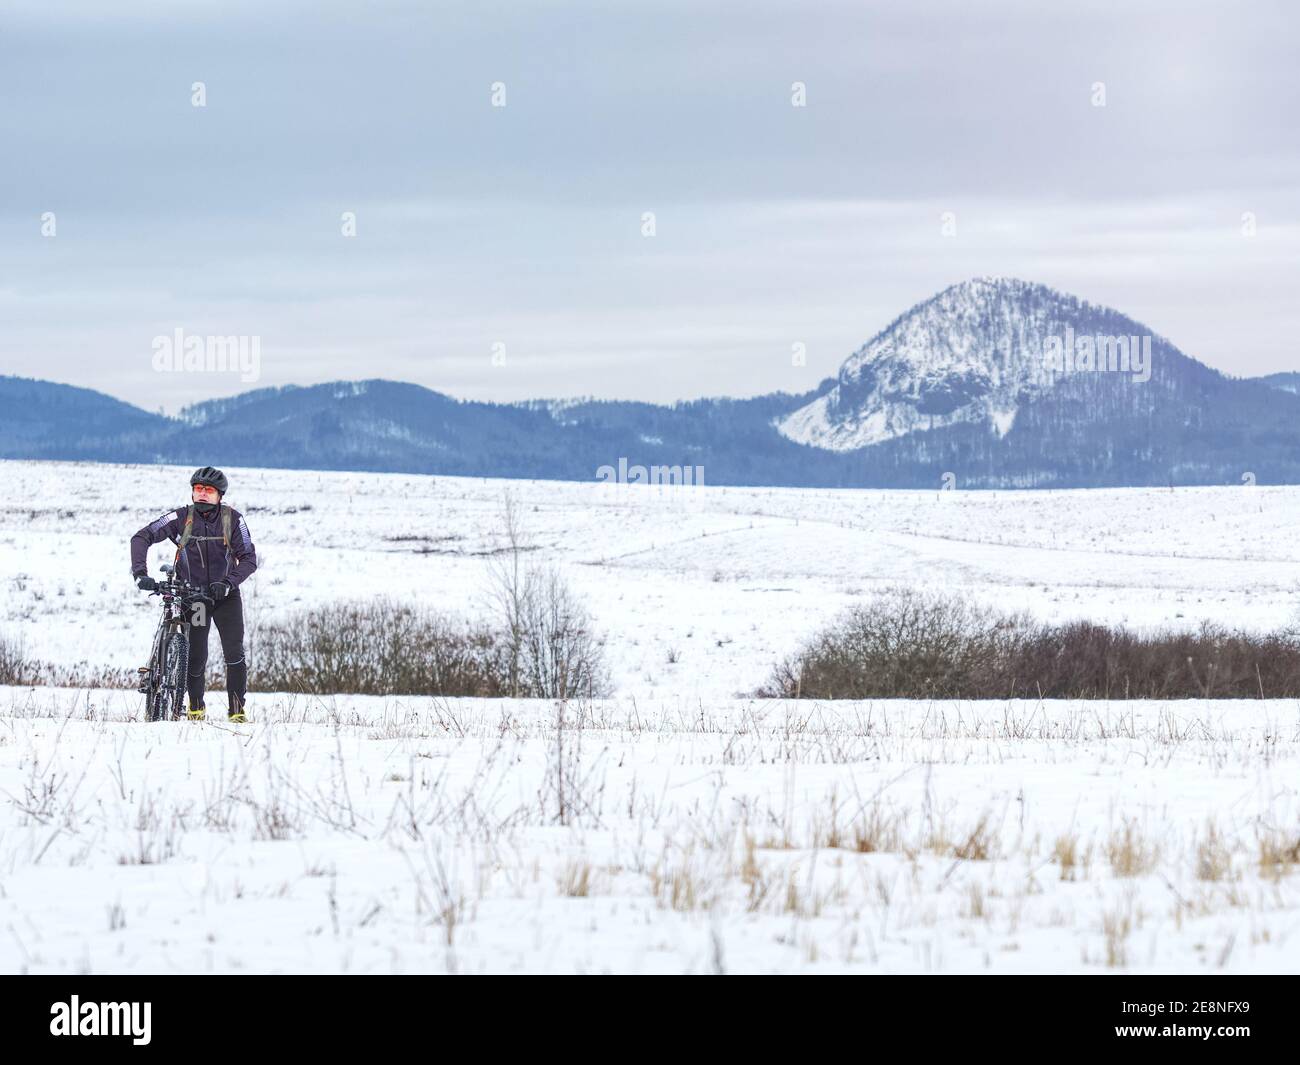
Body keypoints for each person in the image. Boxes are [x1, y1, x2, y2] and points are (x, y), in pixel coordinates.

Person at [130, 467, 258, 722]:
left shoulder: (233, 519)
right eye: (197, 489)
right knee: (196, 654)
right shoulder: (181, 517)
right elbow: (142, 537)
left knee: (233, 652)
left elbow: (249, 559)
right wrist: (140, 573)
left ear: (220, 495)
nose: (201, 494)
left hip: (225, 596)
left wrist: (229, 582)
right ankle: (196, 708)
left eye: (208, 490)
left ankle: (237, 712)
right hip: (193, 596)